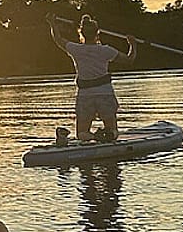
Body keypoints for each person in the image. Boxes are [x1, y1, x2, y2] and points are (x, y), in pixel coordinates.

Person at [46, 13, 137, 142]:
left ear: (81, 33)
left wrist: (52, 24)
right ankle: (108, 135)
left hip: (85, 95)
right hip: (105, 93)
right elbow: (129, 60)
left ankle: (93, 136)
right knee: (112, 130)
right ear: (97, 33)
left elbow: (58, 39)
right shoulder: (106, 50)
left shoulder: (76, 49)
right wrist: (133, 45)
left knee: (82, 134)